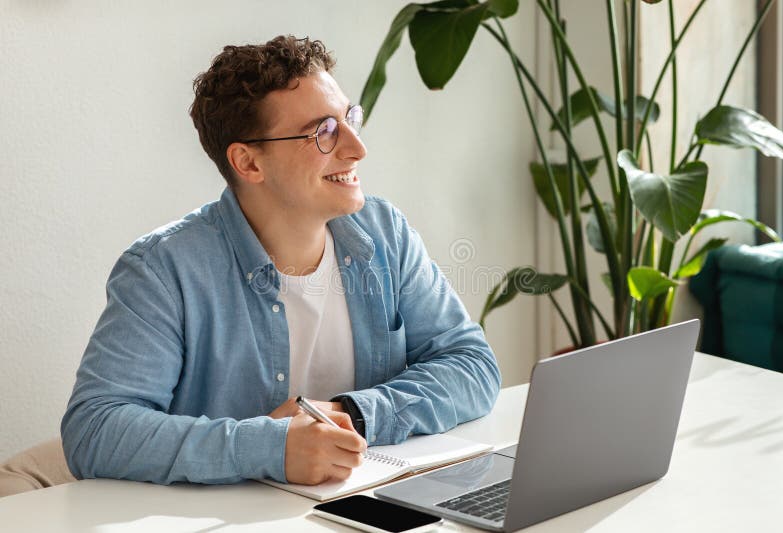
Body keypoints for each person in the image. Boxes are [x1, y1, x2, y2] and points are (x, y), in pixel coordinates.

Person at [57, 35, 500, 487]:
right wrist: (270, 447)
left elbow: (472, 364)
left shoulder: (385, 232)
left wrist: (352, 413)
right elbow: (94, 429)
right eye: (324, 132)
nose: (356, 148)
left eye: (350, 119)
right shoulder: (162, 271)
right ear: (248, 163)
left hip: (362, 503)